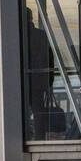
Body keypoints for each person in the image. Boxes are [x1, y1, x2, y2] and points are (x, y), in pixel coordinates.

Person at [25, 9, 55, 138]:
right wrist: (49, 81)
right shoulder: (41, 35)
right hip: (38, 81)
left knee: (21, 112)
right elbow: (49, 59)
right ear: (31, 18)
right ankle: (39, 137)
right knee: (38, 112)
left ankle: (24, 136)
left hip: (21, 82)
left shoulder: (16, 36)